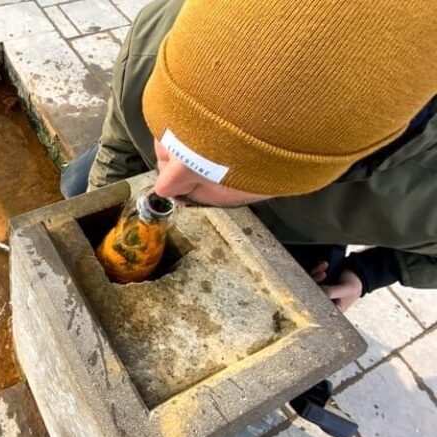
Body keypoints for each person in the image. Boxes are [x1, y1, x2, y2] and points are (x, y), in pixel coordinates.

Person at [61, 0, 437, 313]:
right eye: (168, 136)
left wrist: (369, 274)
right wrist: (101, 213)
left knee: (303, 302)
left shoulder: (422, 201)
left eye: (213, 173)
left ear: (306, 179)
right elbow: (122, 139)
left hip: (304, 235)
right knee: (78, 181)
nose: (163, 185)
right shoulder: (160, 36)